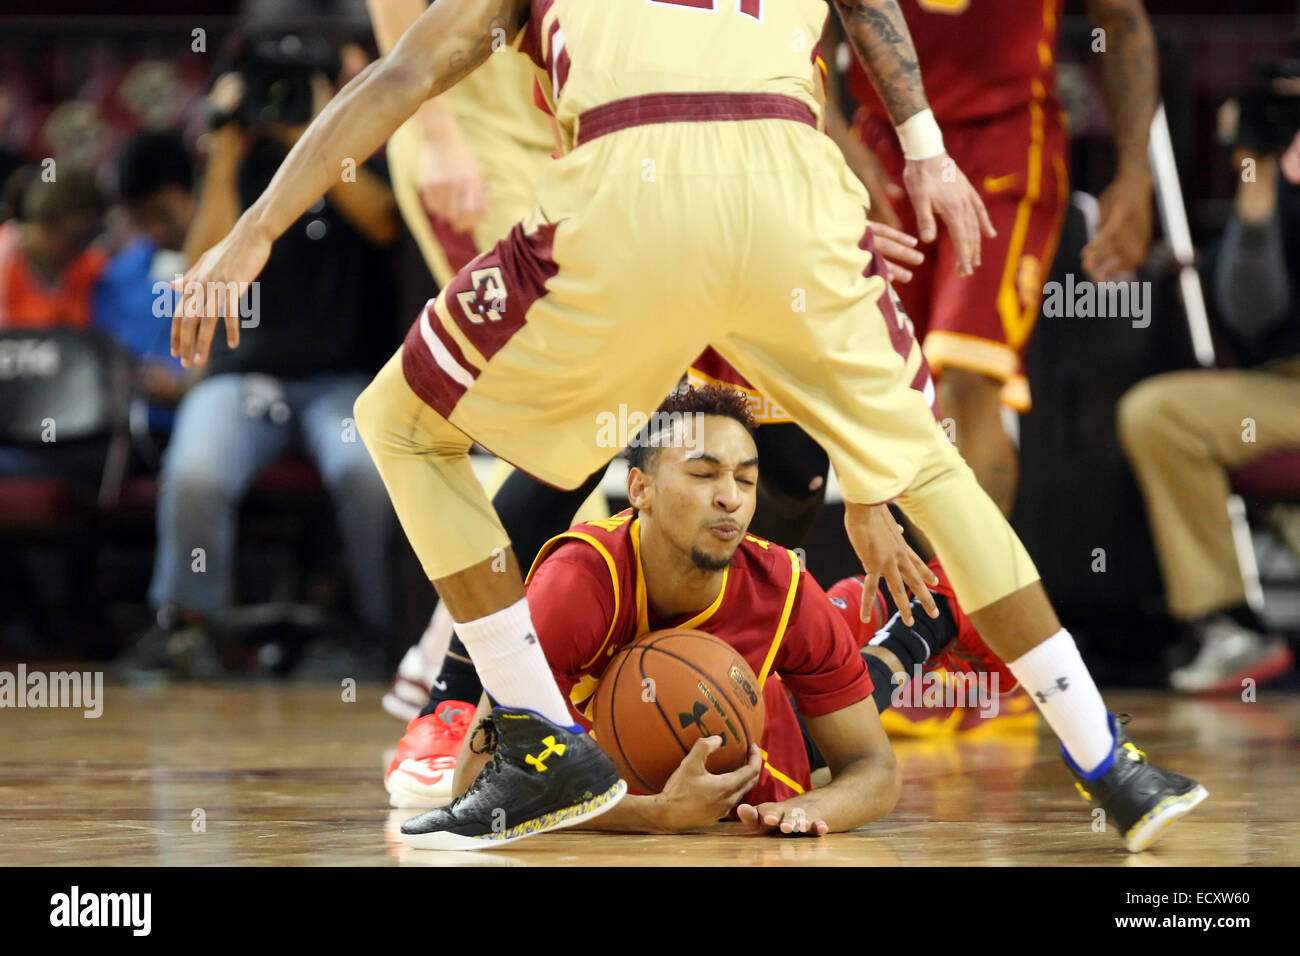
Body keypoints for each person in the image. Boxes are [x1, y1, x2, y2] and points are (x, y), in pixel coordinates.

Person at [173, 0, 1205, 852]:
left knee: (400, 427)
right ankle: (1109, 761)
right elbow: (867, 11)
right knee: (935, 467)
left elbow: (402, 71)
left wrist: (254, 229)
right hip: (792, 183)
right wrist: (925, 148)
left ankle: (531, 731)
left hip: (632, 183)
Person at [387, 387, 1028, 816]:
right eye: (702, 474)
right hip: (656, 761)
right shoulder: (576, 586)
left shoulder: (778, 585)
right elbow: (473, 789)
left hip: (754, 743)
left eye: (744, 480)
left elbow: (873, 773)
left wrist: (800, 813)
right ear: (636, 487)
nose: (730, 498)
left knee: (830, 721)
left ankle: (934, 615)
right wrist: (653, 818)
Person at [826, 0, 1159, 515]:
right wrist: (834, 132)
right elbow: (803, 19)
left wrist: (1136, 171)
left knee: (966, 380)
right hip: (883, 140)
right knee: (906, 398)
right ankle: (943, 586)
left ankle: (978, 591)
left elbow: (1120, 19)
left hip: (1004, 140)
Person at [134, 47, 402, 672]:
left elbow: (384, 223)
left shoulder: (360, 156)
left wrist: (316, 138)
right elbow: (201, 267)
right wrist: (224, 158)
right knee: (197, 471)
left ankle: (382, 630)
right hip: (244, 377)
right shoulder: (238, 164)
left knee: (366, 474)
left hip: (344, 380)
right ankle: (187, 625)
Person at [1118, 126, 1300, 694]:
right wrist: (1257, 196)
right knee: (1160, 413)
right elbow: (1253, 312)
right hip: (1282, 384)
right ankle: (1230, 628)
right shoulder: (1278, 176)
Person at [94, 131, 196, 435]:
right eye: (141, 219)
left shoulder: (245, 264)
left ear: (193, 192)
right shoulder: (117, 279)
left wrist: (186, 388)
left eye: (163, 215)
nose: (156, 232)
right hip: (134, 434)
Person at [0, 166, 105, 330]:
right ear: (43, 223)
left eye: (85, 241)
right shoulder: (5, 257)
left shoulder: (93, 266)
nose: (76, 252)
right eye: (72, 240)